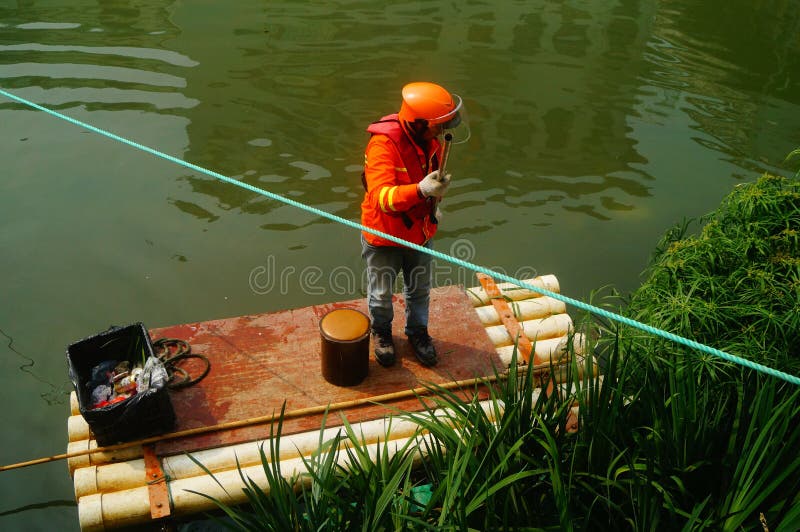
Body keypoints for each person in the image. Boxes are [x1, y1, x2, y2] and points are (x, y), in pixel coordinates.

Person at [360, 81, 464, 367]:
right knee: (381, 294)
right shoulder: (383, 144)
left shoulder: (430, 142)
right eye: (436, 126)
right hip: (384, 235)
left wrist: (435, 200)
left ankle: (418, 332)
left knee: (419, 289)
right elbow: (381, 198)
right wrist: (420, 190)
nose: (441, 132)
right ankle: (381, 332)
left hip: (420, 231)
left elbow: (430, 182)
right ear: (418, 124)